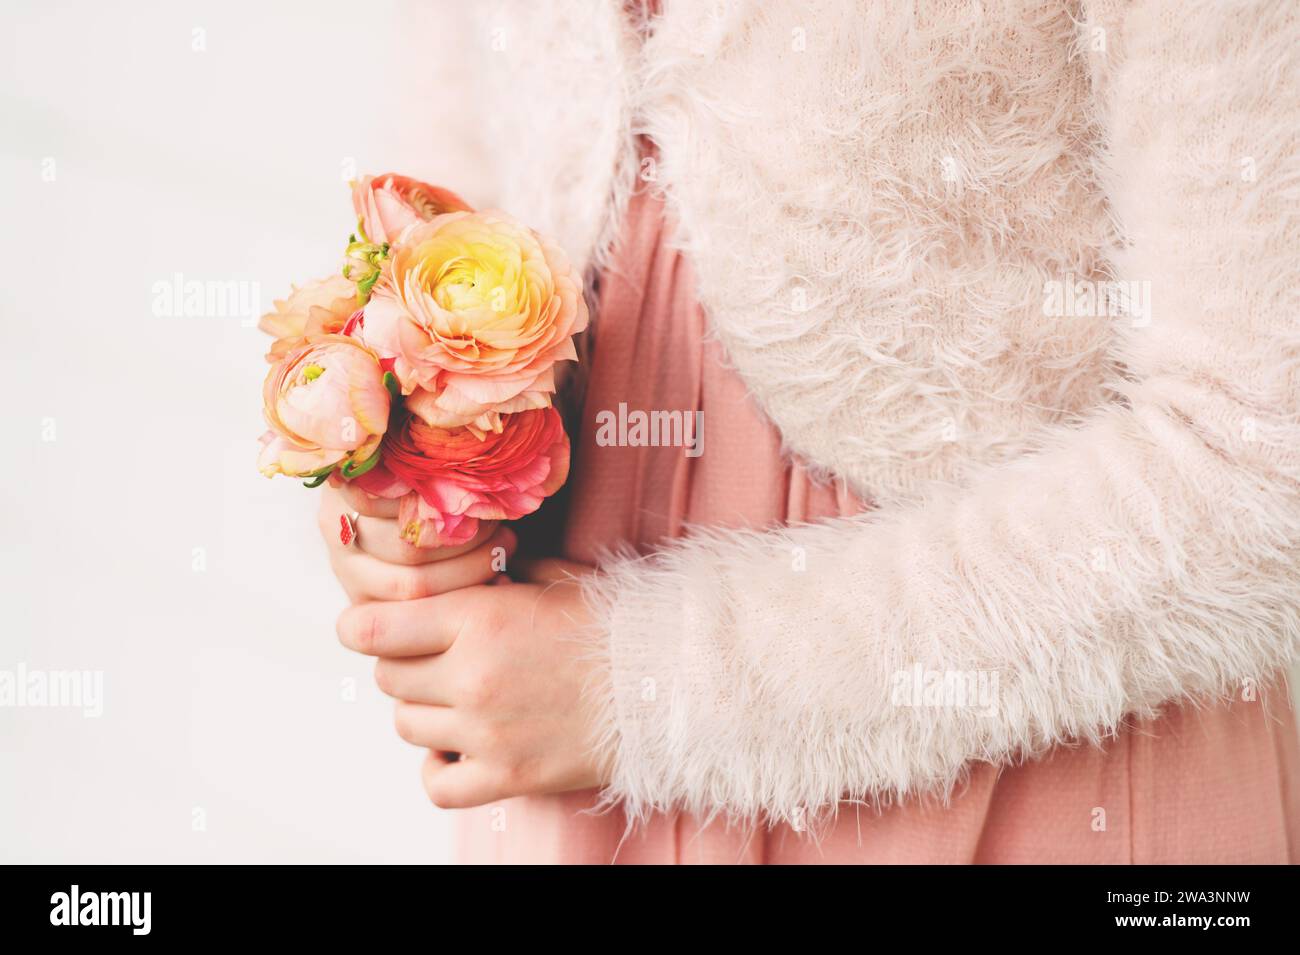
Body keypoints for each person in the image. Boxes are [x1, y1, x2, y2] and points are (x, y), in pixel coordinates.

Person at [319, 0, 1300, 863]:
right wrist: (401, 487)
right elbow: (438, 207)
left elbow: (1252, 453)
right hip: (552, 745)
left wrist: (655, 689)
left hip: (1021, 742)